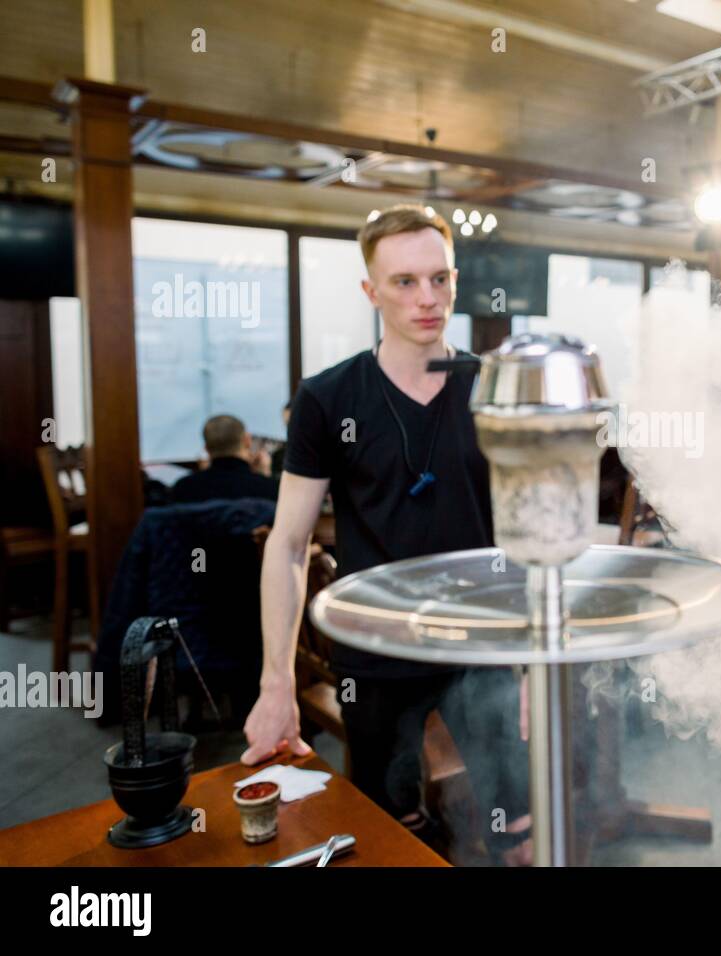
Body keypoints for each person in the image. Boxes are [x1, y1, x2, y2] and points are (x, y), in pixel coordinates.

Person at [241, 204, 531, 863]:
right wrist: (275, 684)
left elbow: (527, 539)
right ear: (370, 291)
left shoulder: (496, 388)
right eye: (404, 282)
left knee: (517, 832)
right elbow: (288, 546)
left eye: (440, 278)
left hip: (481, 643)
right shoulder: (327, 398)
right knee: (386, 836)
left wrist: (530, 666)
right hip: (374, 648)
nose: (427, 298)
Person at [171, 414, 278, 504]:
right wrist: (264, 477)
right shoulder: (268, 489)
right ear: (247, 441)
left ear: (206, 449)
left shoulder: (184, 489)